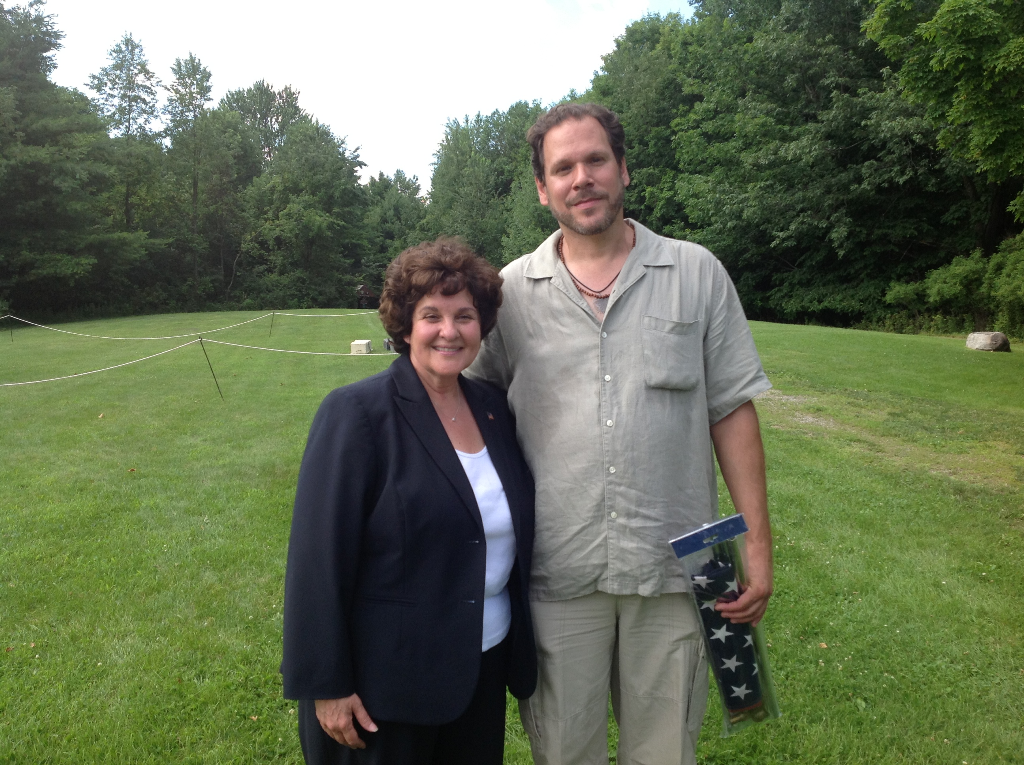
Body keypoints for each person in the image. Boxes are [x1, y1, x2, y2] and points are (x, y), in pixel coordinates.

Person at [467, 103, 774, 765]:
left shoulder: (696, 273)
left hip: (676, 572)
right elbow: (468, 408)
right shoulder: (510, 294)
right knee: (564, 753)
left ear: (624, 169)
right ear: (542, 188)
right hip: (555, 573)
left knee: (663, 753)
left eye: (596, 160)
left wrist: (758, 545)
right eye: (563, 168)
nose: (582, 178)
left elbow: (732, 411)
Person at [282, 238, 537, 765]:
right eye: (431, 316)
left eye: (464, 316)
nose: (449, 331)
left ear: (482, 326)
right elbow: (317, 558)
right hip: (385, 686)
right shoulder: (357, 414)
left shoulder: (494, 409)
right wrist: (327, 683)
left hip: (482, 667)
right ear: (404, 326)